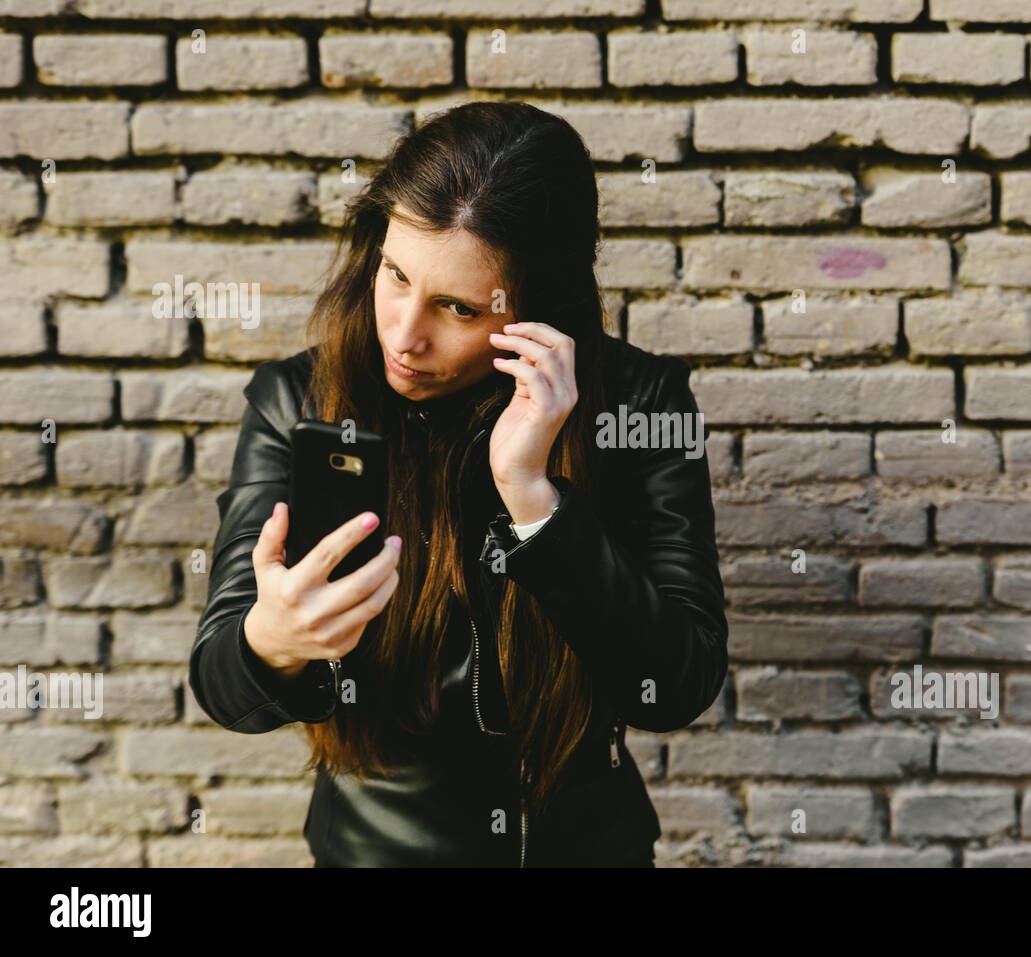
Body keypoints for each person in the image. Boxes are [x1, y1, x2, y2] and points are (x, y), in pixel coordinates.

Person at [188, 100, 729, 867]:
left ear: (536, 313)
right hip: (376, 851)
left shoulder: (639, 404)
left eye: (457, 307)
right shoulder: (301, 400)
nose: (405, 334)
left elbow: (675, 683)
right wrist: (271, 641)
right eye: (396, 274)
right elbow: (219, 681)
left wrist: (535, 498)